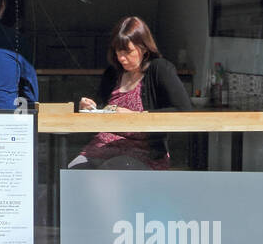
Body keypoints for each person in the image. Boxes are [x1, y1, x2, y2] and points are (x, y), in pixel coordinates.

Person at [70, 15, 191, 170]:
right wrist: (89, 107)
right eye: (117, 52)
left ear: (144, 48)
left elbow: (184, 111)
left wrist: (136, 117)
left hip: (143, 152)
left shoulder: (160, 69)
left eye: (127, 52)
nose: (121, 58)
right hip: (102, 147)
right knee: (73, 170)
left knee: (109, 171)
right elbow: (102, 108)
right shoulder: (112, 74)